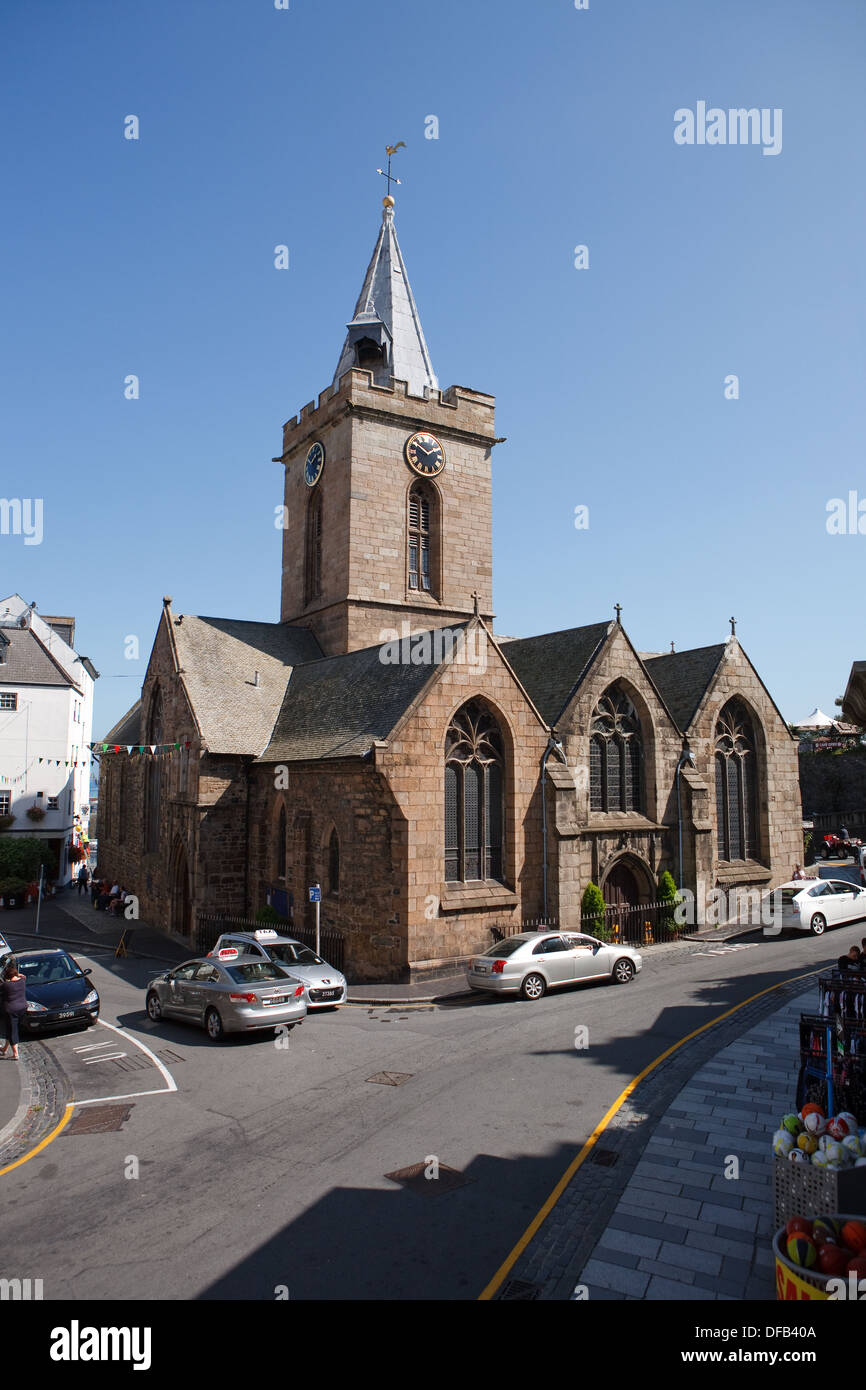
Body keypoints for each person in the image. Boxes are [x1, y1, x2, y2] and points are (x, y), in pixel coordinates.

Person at [0, 957, 27, 1061]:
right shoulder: (22, 981)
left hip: (11, 1010)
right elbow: (22, 976)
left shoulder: (6, 985)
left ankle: (15, 1054)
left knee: (12, 1031)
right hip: (22, 1008)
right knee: (10, 1029)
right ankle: (5, 1048)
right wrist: (16, 975)